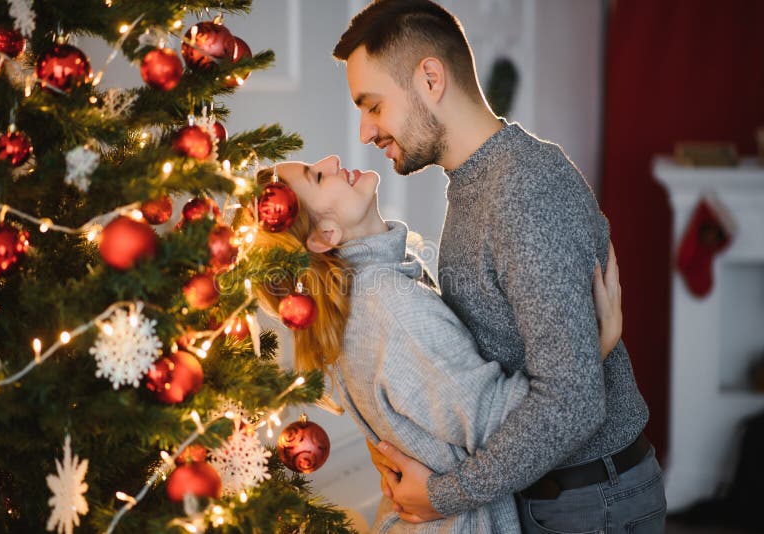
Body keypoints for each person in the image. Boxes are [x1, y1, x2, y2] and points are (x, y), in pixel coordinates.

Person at [332, 1, 666, 532]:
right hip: (544, 493)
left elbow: (573, 400)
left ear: (431, 78)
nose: (365, 132)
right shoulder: (476, 184)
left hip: (584, 503)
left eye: (373, 105)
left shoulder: (522, 192)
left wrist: (444, 495)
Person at [248, 156, 622, 533]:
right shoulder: (391, 307)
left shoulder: (368, 296)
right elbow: (508, 425)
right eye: (317, 176)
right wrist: (591, 345)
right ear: (325, 235)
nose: (331, 161)